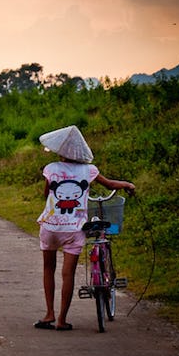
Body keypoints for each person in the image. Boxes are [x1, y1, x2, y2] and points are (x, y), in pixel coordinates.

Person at [34, 125, 135, 331]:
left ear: (61, 151)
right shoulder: (89, 170)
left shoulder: (51, 168)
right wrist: (127, 184)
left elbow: (47, 195)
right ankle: (62, 320)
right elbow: (109, 185)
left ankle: (49, 314)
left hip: (51, 227)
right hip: (74, 229)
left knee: (48, 268)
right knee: (67, 274)